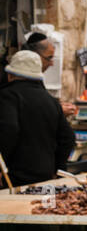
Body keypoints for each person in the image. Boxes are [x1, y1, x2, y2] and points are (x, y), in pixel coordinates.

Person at [0, 50, 76, 187]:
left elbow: (8, 129)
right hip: (45, 176)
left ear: (10, 75)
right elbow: (68, 138)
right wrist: (57, 168)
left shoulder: (7, 96)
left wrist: (2, 167)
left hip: (13, 177)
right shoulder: (51, 101)